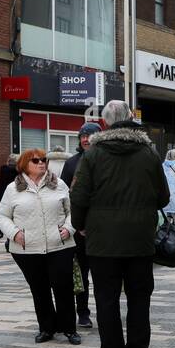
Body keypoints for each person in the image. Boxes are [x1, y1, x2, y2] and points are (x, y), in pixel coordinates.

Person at [69, 100, 170, 348]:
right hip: (140, 240)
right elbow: (164, 196)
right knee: (139, 298)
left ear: (105, 122)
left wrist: (80, 225)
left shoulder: (93, 154)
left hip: (102, 241)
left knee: (106, 299)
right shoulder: (148, 152)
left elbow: (78, 196)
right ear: (130, 118)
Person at [0, 149, 80, 345]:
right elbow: (1, 215)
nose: (42, 163)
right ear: (25, 164)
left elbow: (73, 210)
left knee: (64, 289)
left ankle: (69, 329)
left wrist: (69, 228)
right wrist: (15, 233)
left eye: (44, 160)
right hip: (28, 249)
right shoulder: (12, 188)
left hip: (60, 246)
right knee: (39, 290)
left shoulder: (58, 184)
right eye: (36, 160)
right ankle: (46, 328)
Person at [61, 126, 100, 327]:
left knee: (103, 275)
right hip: (79, 230)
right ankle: (83, 313)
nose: (86, 139)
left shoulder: (105, 160)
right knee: (81, 274)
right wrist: (74, 224)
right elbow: (64, 196)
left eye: (90, 136)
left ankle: (105, 311)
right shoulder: (71, 163)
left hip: (102, 228)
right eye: (83, 136)